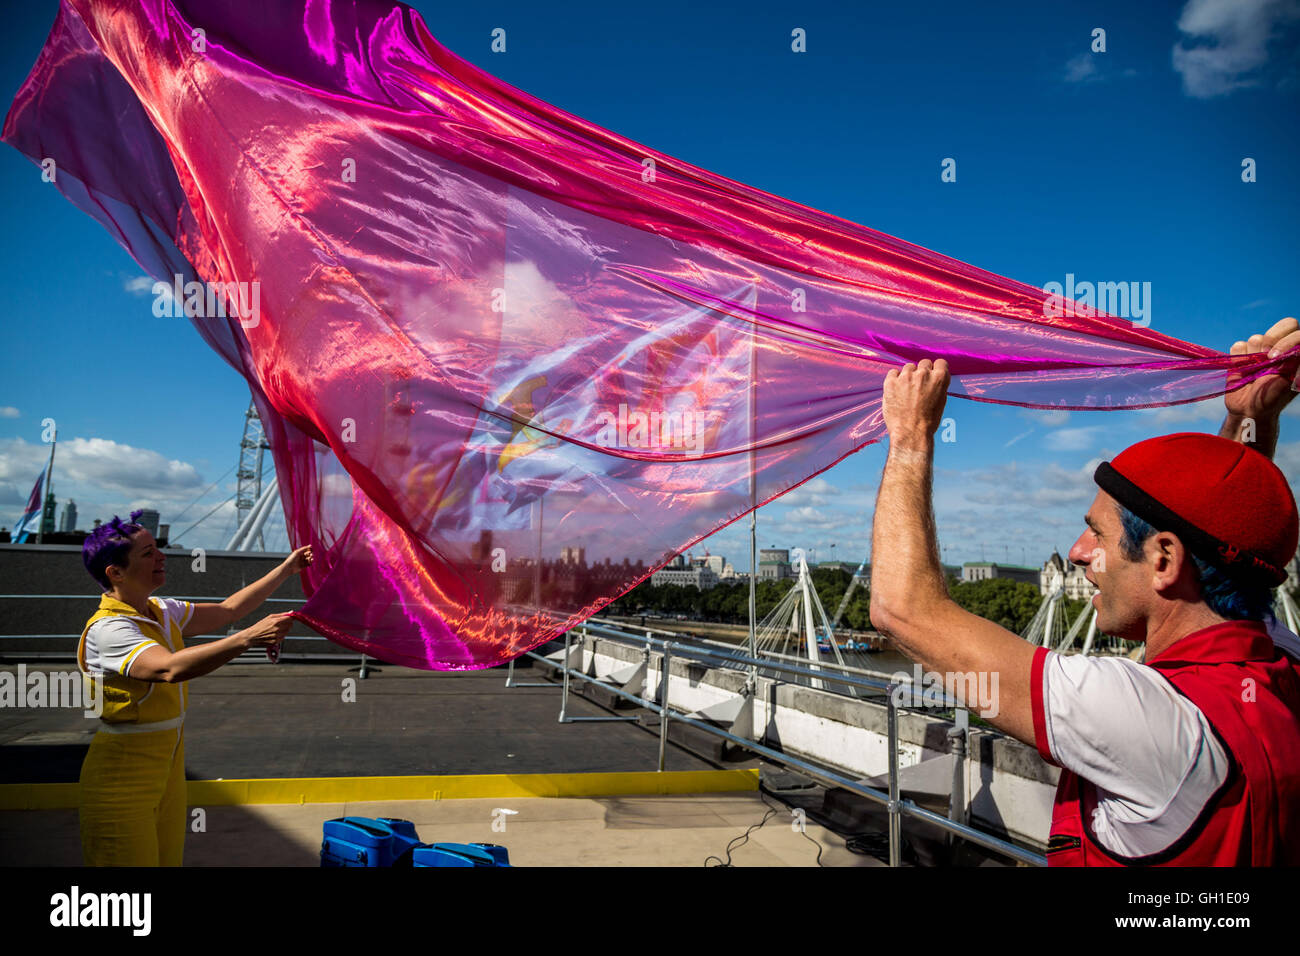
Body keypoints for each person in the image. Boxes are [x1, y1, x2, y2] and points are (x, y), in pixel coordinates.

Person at [869, 317, 1300, 866]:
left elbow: (902, 611)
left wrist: (909, 438)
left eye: (1098, 533)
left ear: (1164, 560)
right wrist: (1247, 423)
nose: (1077, 551)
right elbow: (1226, 536)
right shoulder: (1282, 666)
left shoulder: (1147, 719)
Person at [77, 510, 312, 866]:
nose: (161, 556)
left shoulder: (160, 611)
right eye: (148, 553)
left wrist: (287, 569)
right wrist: (248, 638)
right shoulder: (110, 630)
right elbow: (169, 669)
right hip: (122, 775)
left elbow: (229, 610)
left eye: (157, 548)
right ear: (116, 573)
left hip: (169, 765)